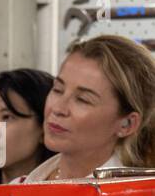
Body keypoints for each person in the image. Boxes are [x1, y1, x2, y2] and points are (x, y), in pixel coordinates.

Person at [19, 34, 155, 182]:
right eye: (58, 89)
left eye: (82, 100)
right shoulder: (18, 188)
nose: (58, 108)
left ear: (127, 124)